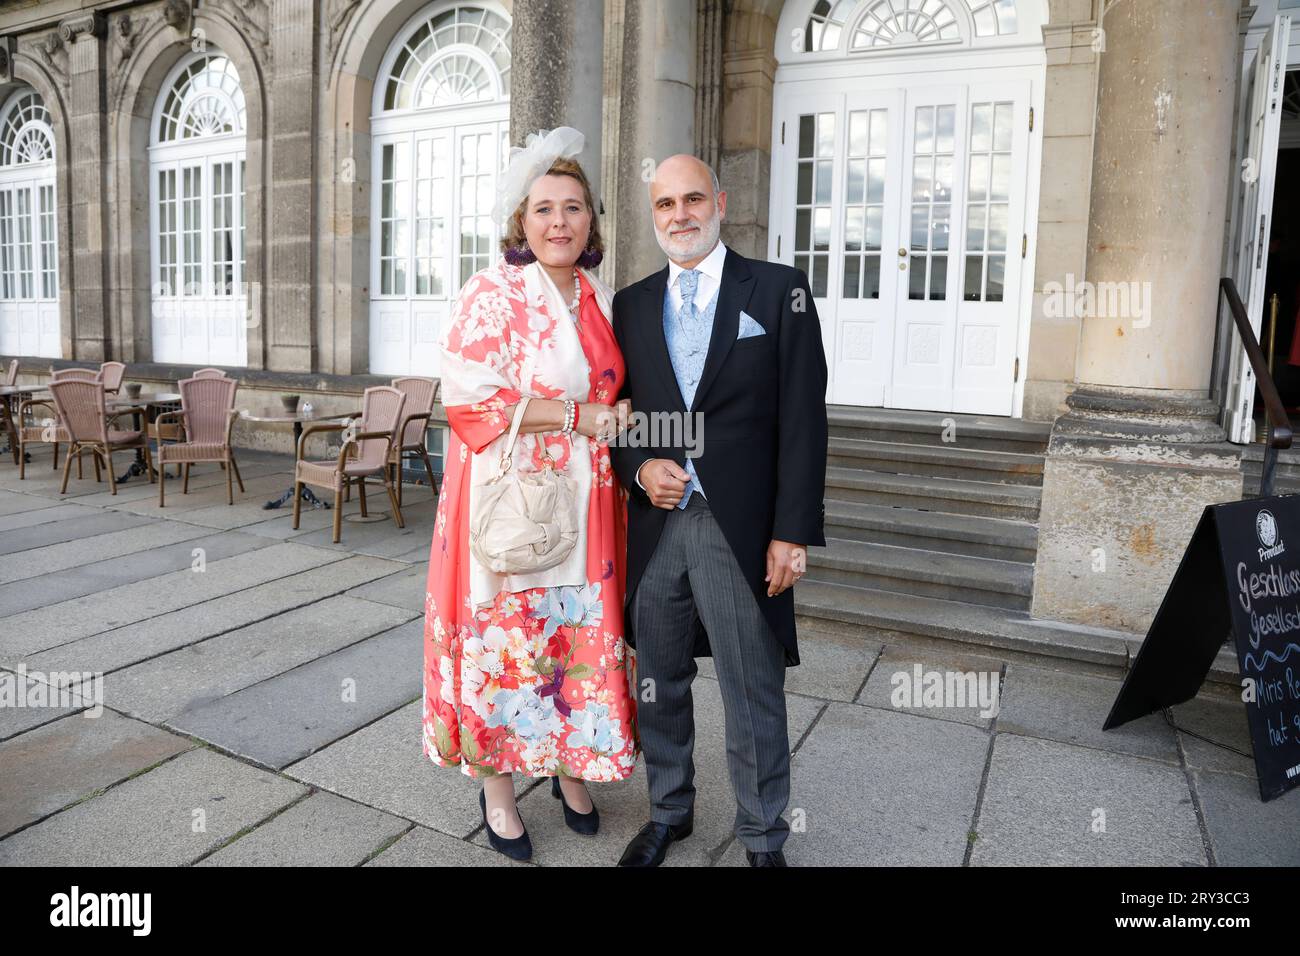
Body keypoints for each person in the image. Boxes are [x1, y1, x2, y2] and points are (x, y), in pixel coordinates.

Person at [422, 127, 637, 862]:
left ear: (591, 223)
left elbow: (621, 389)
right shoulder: (491, 292)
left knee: (576, 639)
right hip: (511, 502)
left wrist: (626, 413)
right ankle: (500, 791)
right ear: (521, 221)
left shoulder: (602, 297)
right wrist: (579, 416)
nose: (558, 222)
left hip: (589, 499)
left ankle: (573, 767)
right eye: (543, 208)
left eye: (573, 208)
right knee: (508, 644)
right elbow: (470, 401)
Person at [610, 154, 828, 867]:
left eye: (693, 198)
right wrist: (640, 467)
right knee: (659, 684)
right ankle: (669, 813)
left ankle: (765, 839)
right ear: (654, 215)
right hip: (658, 527)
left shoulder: (779, 291)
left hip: (740, 529)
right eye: (665, 203)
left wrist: (791, 532)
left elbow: (803, 419)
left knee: (751, 689)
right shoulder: (633, 302)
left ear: (721, 203)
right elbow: (622, 418)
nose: (680, 214)